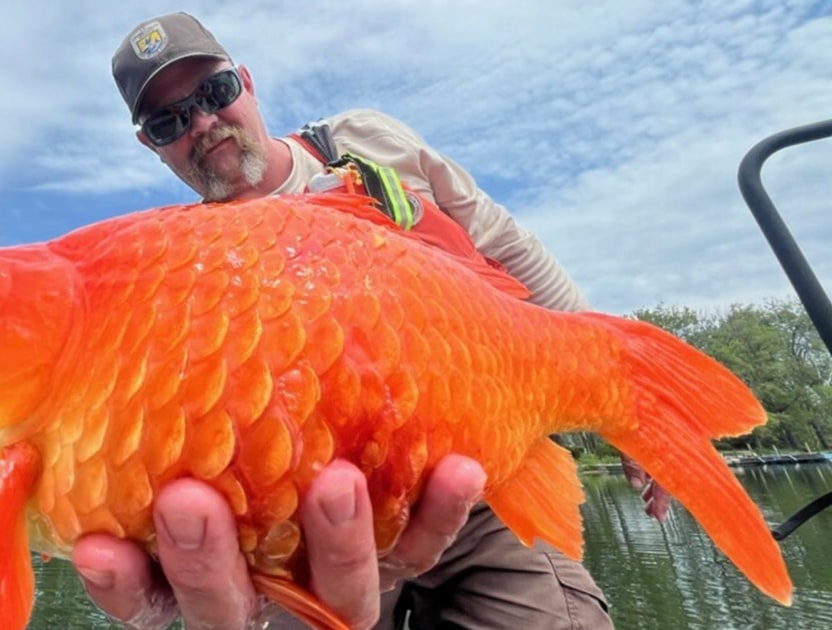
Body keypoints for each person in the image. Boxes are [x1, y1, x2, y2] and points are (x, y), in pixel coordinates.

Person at [76, 11, 673, 629]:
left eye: (214, 92)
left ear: (246, 82)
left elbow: (502, 241)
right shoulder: (183, 269)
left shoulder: (363, 141)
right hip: (312, 534)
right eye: (170, 121)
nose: (203, 123)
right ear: (151, 145)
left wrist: (622, 390)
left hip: (482, 485)